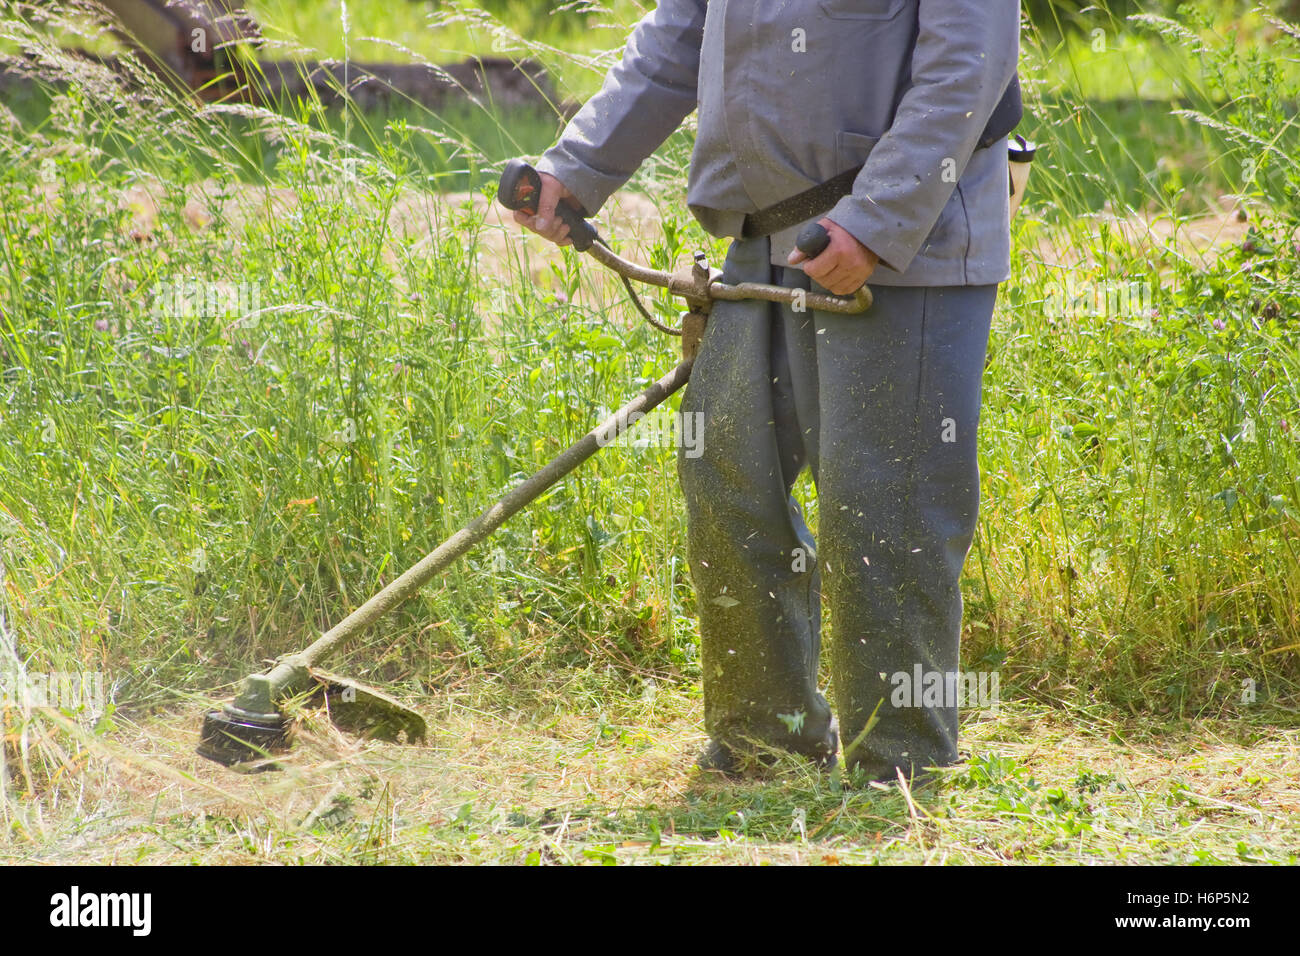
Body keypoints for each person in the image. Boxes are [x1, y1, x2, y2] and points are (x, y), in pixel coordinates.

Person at [507, 0, 1021, 780]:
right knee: (724, 471)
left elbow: (967, 69)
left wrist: (875, 222)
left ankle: (900, 763)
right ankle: (764, 739)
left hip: (902, 247)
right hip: (760, 243)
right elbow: (677, 38)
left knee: (885, 502)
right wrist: (575, 171)